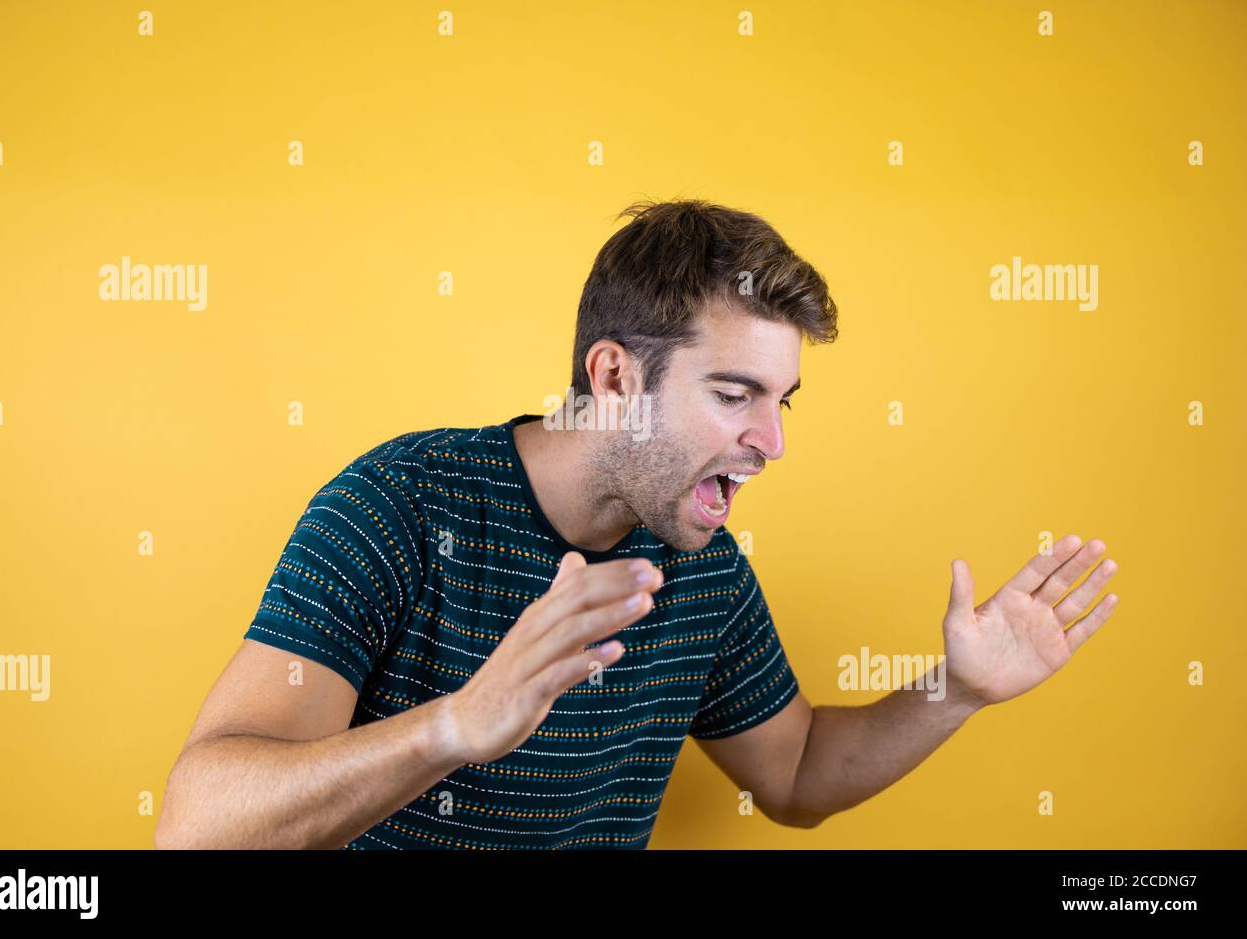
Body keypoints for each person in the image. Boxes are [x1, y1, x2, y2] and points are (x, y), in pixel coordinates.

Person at [155, 199, 1119, 849]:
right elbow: (197, 824)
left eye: (785, 400)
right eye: (736, 393)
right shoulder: (402, 504)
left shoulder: (704, 569)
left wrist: (958, 689)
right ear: (615, 377)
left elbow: (794, 772)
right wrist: (455, 725)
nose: (771, 442)